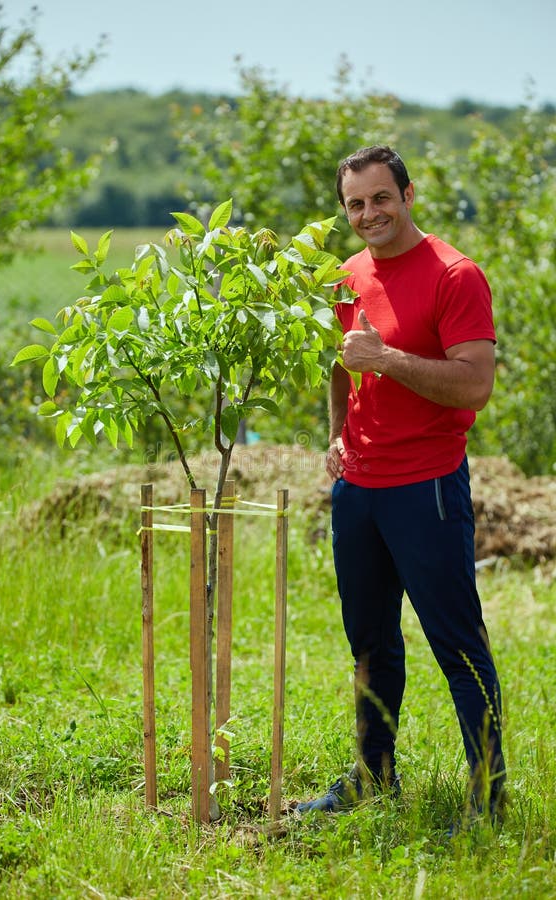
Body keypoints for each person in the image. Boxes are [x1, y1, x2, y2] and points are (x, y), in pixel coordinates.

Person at [297, 145, 505, 820]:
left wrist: (385, 359)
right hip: (356, 489)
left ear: (409, 196)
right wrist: (335, 430)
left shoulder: (455, 274)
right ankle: (373, 776)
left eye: (381, 198)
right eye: (354, 203)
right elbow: (340, 363)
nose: (368, 214)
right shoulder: (346, 275)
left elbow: (475, 381)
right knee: (370, 643)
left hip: (428, 487)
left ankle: (487, 798)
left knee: (457, 644)